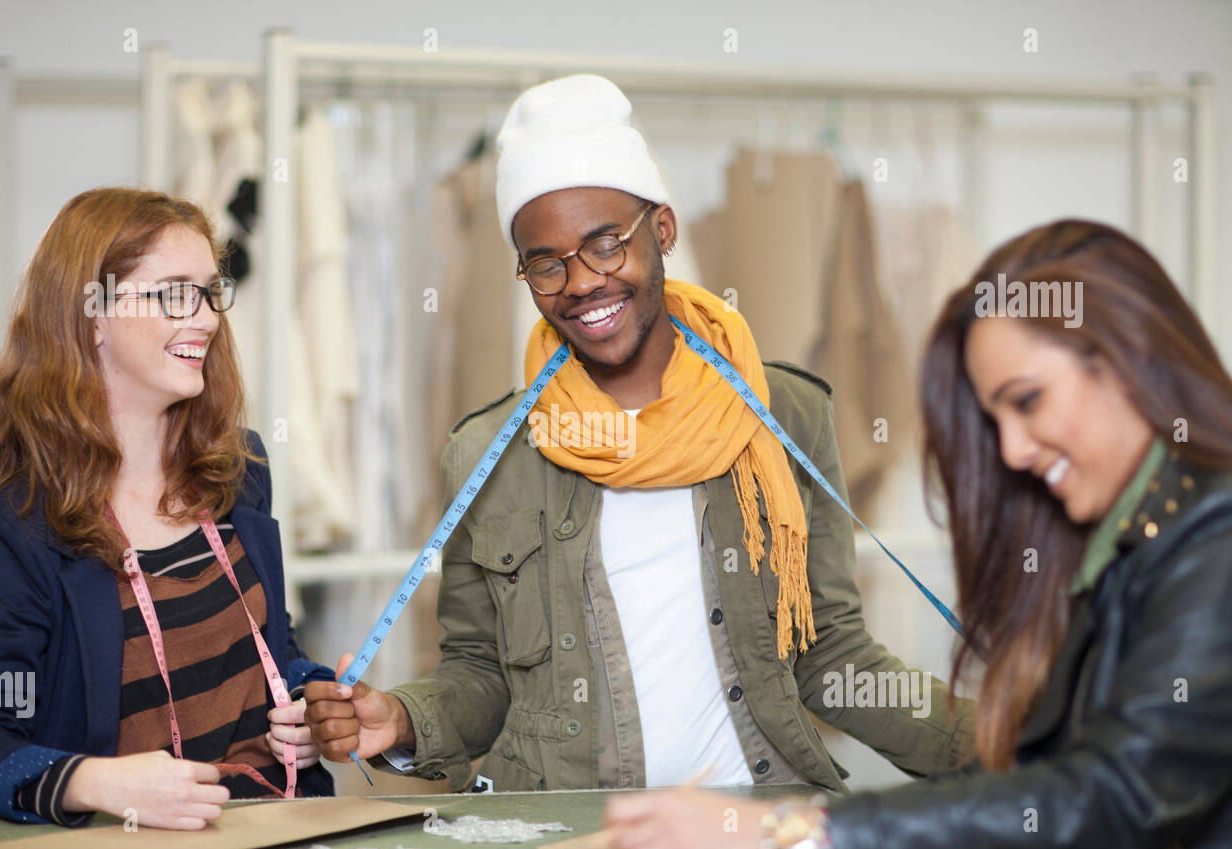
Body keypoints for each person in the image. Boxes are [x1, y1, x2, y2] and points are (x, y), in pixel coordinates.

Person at [305, 74, 973, 795]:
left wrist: (991, 740)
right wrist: (402, 719)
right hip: (564, 834)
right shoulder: (487, 455)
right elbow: (480, 675)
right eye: (545, 262)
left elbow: (831, 657)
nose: (581, 282)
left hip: (750, 824)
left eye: (604, 244)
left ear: (662, 231)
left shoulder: (781, 415)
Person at [601, 219, 1232, 849]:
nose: (1012, 450)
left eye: (1030, 400)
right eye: (996, 420)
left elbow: (1113, 799)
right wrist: (786, 828)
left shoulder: (1214, 539)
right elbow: (1034, 780)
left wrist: (786, 835)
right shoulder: (1124, 545)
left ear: (1132, 355)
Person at [0, 187, 333, 829]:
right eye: (174, 292)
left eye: (210, 291)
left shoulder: (240, 468)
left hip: (274, 830)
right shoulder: (24, 523)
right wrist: (102, 783)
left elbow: (269, 648)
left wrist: (310, 702)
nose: (205, 318)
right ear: (92, 316)